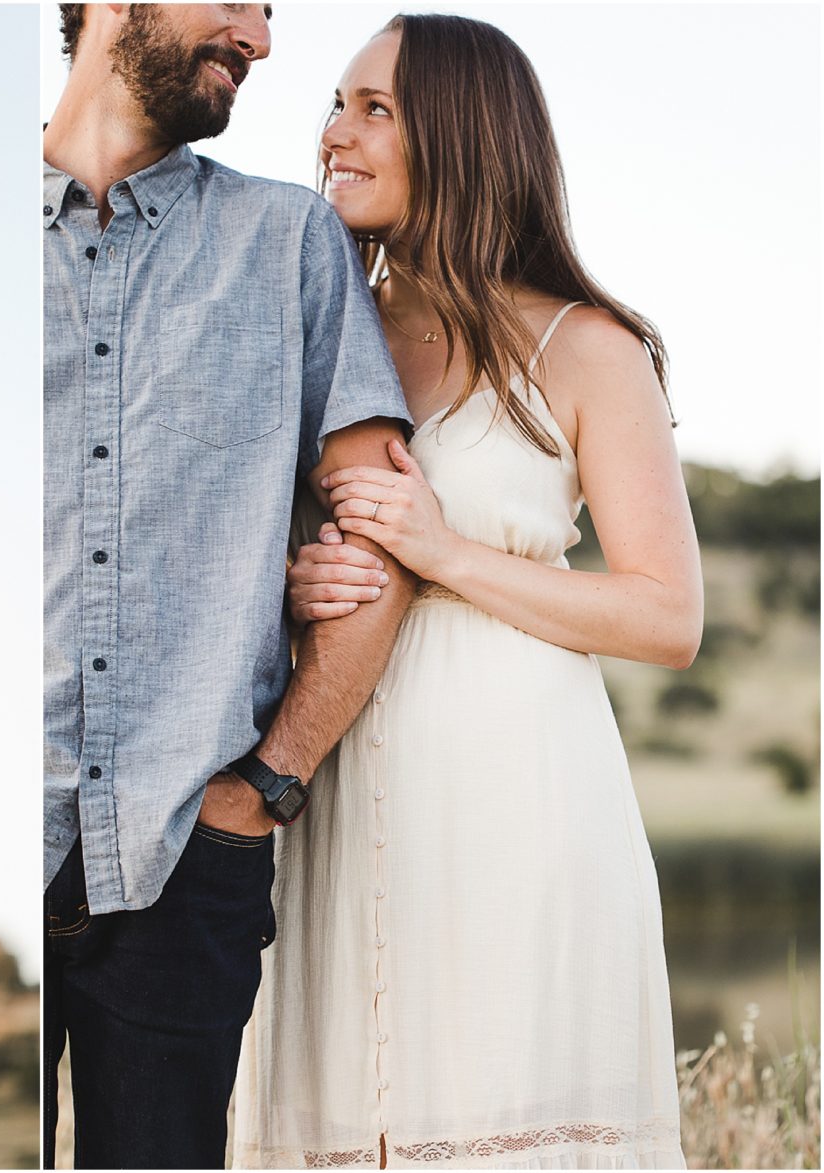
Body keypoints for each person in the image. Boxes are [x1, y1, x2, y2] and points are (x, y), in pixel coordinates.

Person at [233, 14, 700, 1169]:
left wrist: (443, 555)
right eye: (336, 105)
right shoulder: (313, 326)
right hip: (327, 783)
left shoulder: (589, 349)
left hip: (515, 797)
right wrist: (292, 585)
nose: (333, 133)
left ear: (464, 134)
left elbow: (665, 615)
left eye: (372, 108)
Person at [43, 5, 415, 1167]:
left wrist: (268, 785)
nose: (257, 37)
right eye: (235, 0)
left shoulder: (287, 242)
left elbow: (383, 547)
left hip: (186, 855)